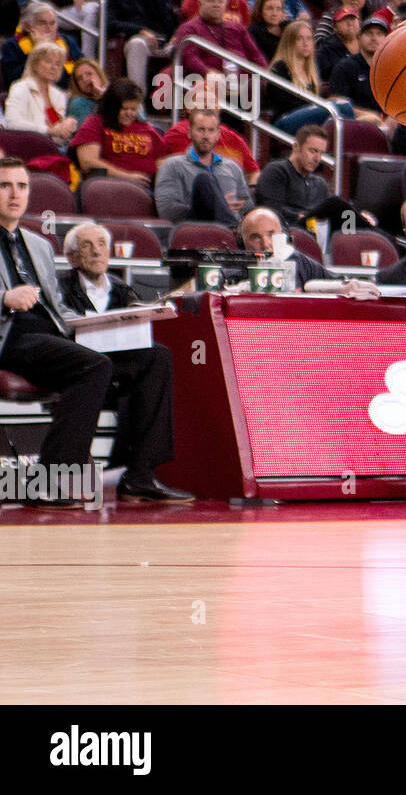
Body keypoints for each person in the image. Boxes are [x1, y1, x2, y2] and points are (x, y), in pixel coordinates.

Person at [0, 161, 191, 505]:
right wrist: (4, 298)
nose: (15, 194)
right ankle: (45, 479)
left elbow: (59, 308)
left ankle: (139, 475)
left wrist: (104, 322)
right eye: (5, 186)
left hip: (55, 335)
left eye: (22, 186)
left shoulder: (39, 244)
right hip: (11, 336)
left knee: (155, 357)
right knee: (93, 365)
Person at [254, 124, 373, 234]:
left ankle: (372, 231)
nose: (318, 158)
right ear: (296, 147)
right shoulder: (276, 171)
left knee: (350, 220)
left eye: (321, 153)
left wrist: (358, 217)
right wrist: (300, 216)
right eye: (313, 151)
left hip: (317, 233)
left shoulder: (320, 183)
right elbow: (271, 209)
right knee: (335, 204)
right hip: (289, 230)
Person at [153, 108, 250, 226]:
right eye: (201, 130)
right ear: (189, 132)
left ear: (218, 134)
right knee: (203, 180)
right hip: (196, 232)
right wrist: (216, 207)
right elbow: (168, 211)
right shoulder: (172, 165)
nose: (206, 136)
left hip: (236, 235)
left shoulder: (233, 167)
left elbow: (248, 209)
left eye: (211, 130)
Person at [106, 0, 179, 92]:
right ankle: (137, 98)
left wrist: (174, 38)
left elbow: (172, 23)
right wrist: (141, 31)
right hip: (131, 41)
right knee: (137, 44)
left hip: (162, 42)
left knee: (181, 47)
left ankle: (175, 102)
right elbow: (111, 24)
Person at [69, 79, 165, 184]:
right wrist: (128, 176)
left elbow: (163, 160)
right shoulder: (96, 123)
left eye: (133, 109)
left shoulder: (145, 128)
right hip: (111, 184)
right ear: (112, 107)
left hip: (149, 186)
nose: (129, 114)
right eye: (124, 109)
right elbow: (87, 162)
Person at [5, 42, 77, 146]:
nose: (54, 67)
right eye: (48, 61)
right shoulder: (21, 88)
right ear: (34, 63)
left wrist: (67, 126)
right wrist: (49, 130)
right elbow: (13, 124)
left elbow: (57, 133)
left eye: (58, 64)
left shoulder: (58, 95)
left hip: (53, 147)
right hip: (26, 146)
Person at [2, 0, 79, 91]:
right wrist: (39, 49)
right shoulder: (12, 45)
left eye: (52, 23)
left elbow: (80, 69)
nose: (48, 28)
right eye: (42, 23)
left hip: (67, 93)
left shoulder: (67, 41)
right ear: (27, 27)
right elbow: (14, 80)